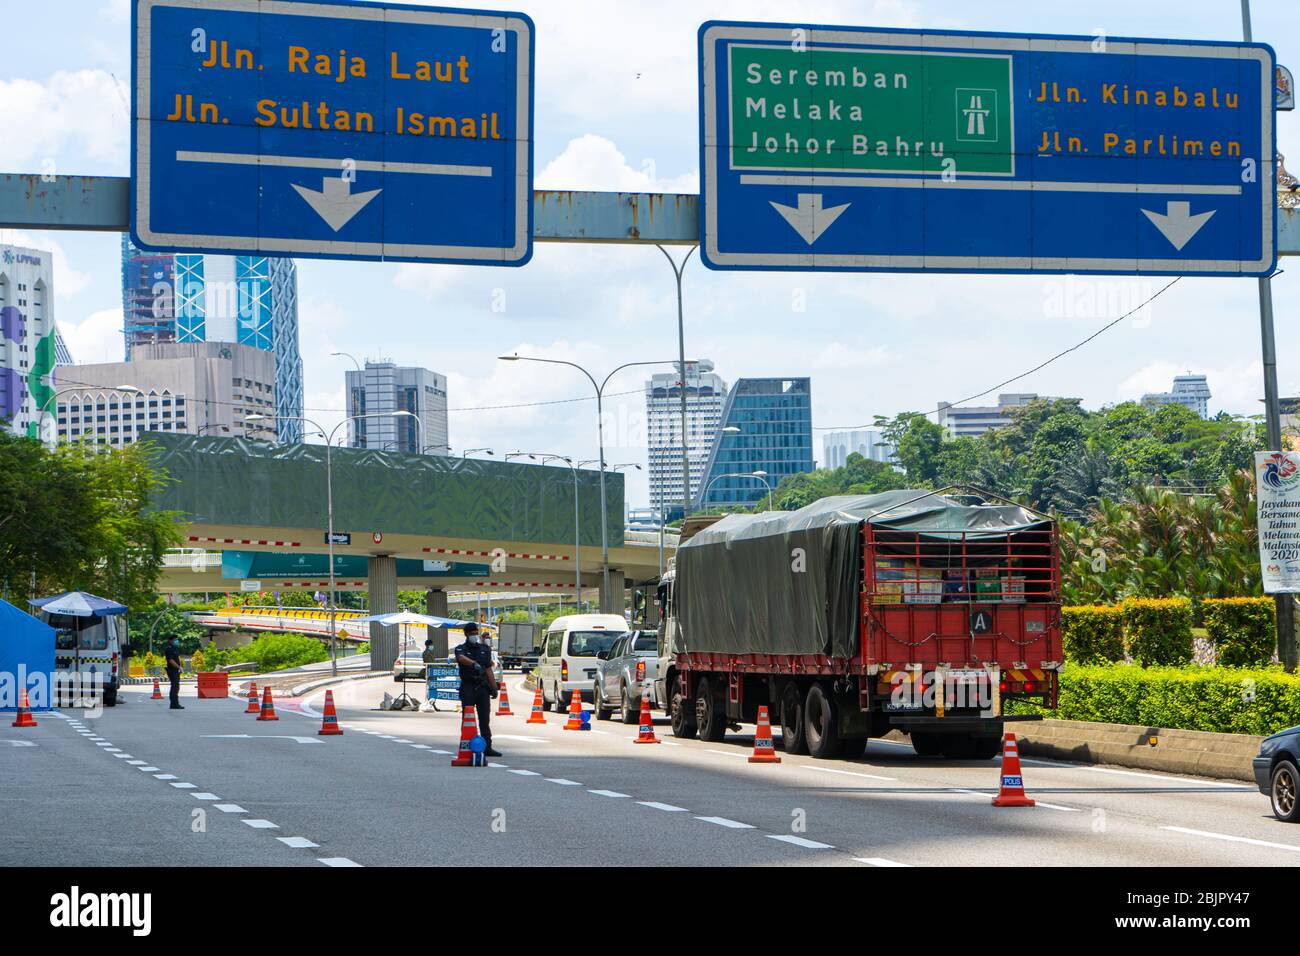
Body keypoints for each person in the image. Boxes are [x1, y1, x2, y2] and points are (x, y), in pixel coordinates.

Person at [453, 622, 500, 757]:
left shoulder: (484, 649)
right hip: (468, 686)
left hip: (483, 688)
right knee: (467, 718)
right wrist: (474, 664)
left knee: (485, 719)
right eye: (472, 633)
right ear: (466, 634)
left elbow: (488, 669)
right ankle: (465, 746)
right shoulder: (460, 649)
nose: (474, 636)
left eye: (476, 633)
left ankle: (487, 748)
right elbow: (461, 658)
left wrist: (494, 687)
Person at [164, 636, 184, 710]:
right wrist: (178, 667)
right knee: (174, 686)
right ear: (170, 640)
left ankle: (175, 703)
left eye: (177, 640)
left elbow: (177, 659)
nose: (177, 641)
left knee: (176, 687)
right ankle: (173, 704)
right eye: (175, 640)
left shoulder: (175, 648)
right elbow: (171, 660)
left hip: (176, 670)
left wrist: (179, 667)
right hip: (172, 670)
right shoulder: (169, 649)